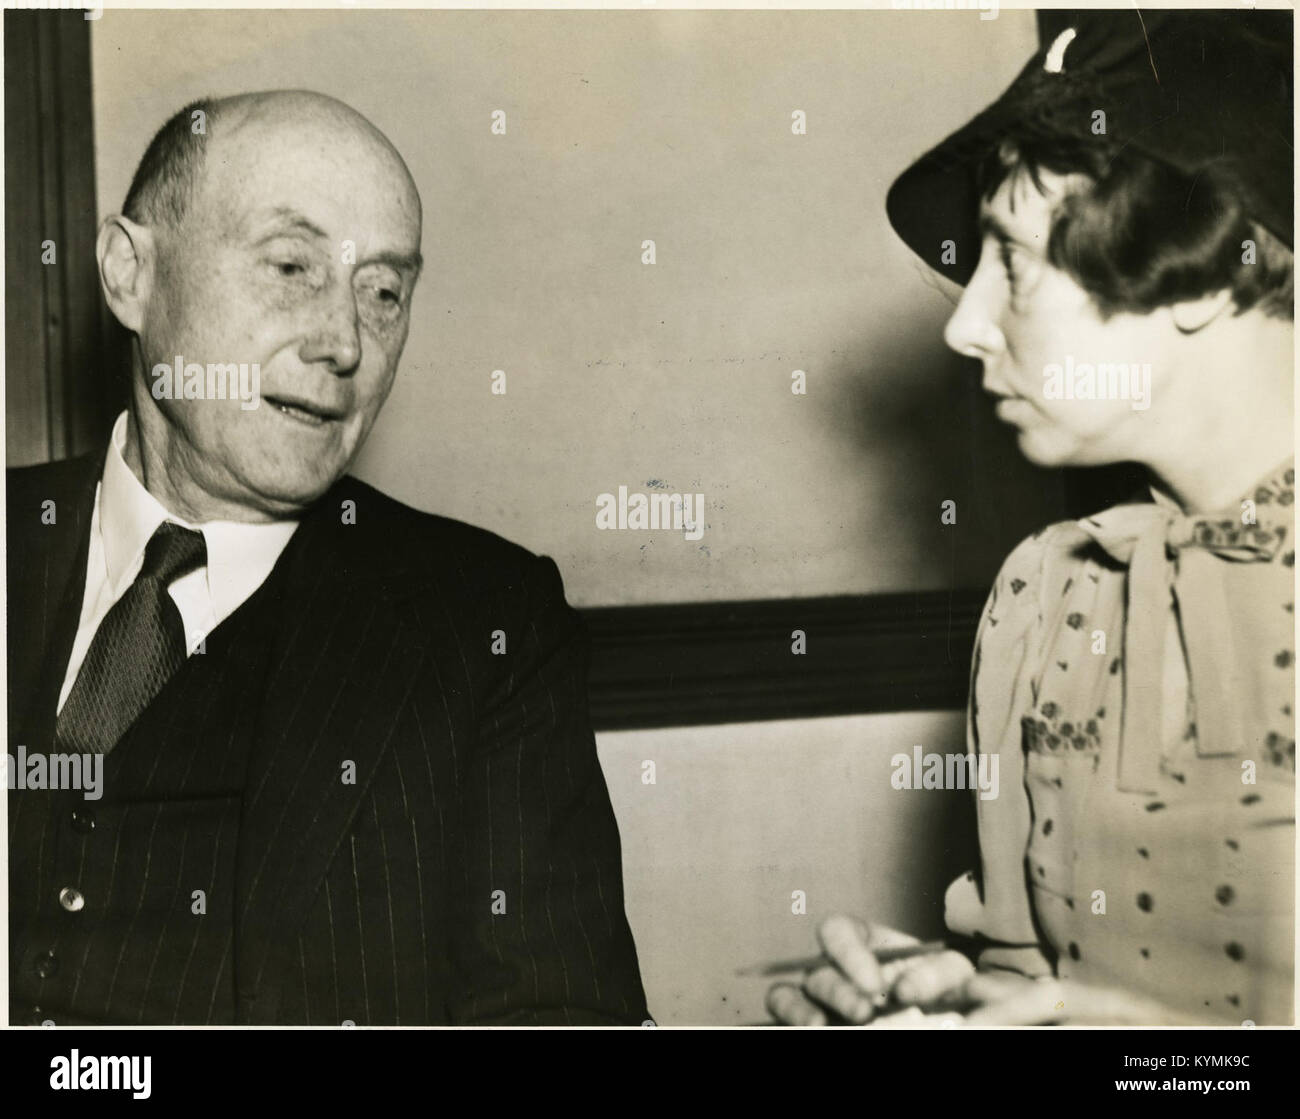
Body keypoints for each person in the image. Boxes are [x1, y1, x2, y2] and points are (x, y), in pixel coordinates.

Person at [8, 90, 648, 1026]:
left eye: (383, 292)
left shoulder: (483, 625)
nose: (345, 341)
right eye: (291, 266)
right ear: (128, 275)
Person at [769, 9, 1294, 1026]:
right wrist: (954, 1003)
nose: (964, 324)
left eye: (1009, 259)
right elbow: (1032, 970)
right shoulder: (1045, 590)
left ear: (1200, 267)